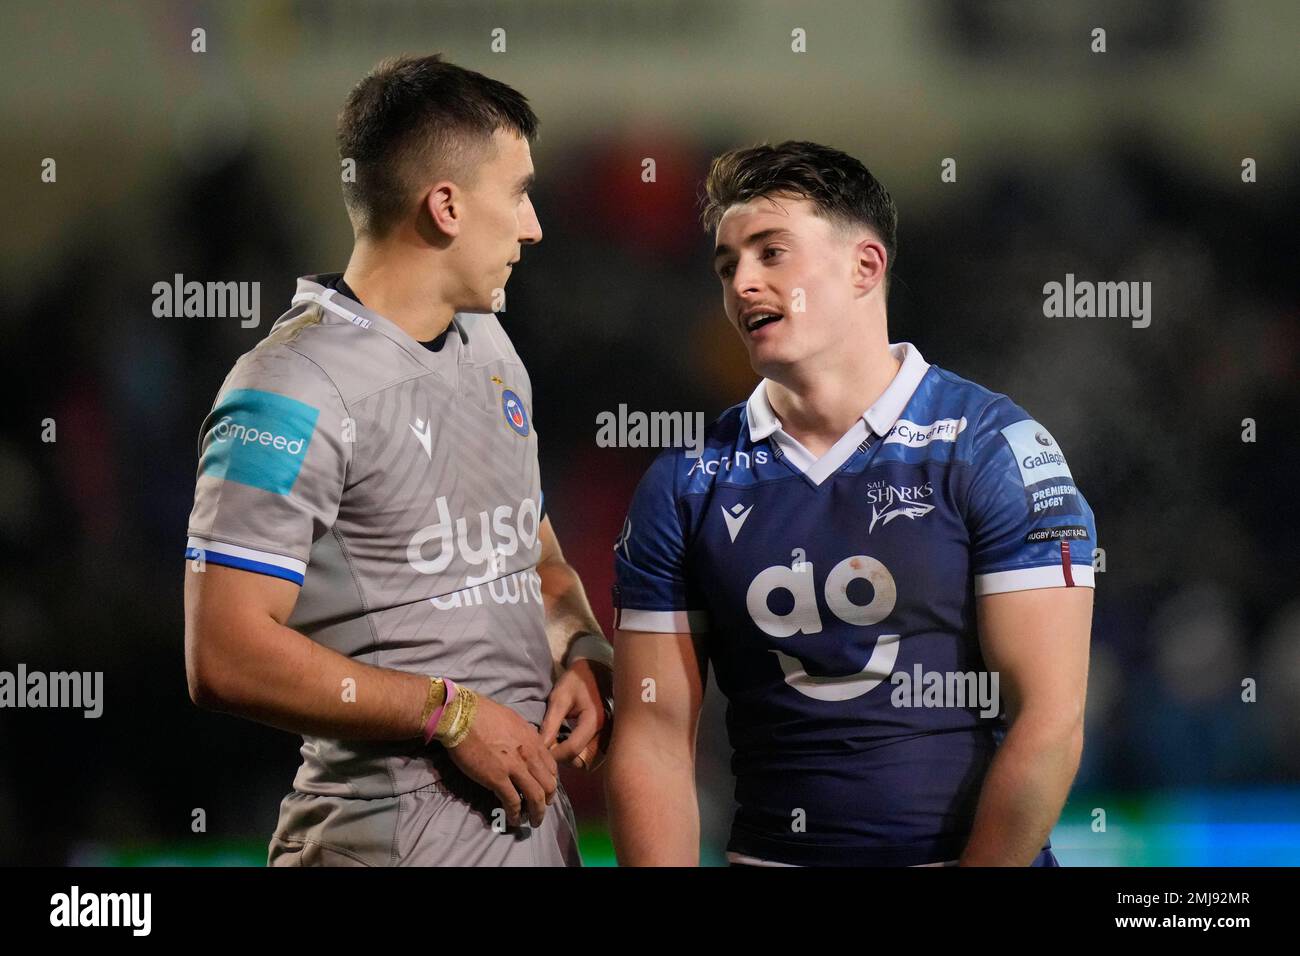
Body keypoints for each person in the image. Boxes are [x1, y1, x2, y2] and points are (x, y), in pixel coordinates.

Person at [606, 141, 1094, 866]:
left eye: (771, 253)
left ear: (867, 266)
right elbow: (651, 736)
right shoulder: (686, 483)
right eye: (727, 265)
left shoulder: (997, 449)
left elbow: (1050, 722)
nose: (742, 283)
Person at [182, 53, 612, 867]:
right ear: (445, 206)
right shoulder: (285, 390)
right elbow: (224, 652)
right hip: (378, 849)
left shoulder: (489, 342)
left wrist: (579, 643)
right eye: (518, 194)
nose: (534, 226)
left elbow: (528, 546)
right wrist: (448, 713)